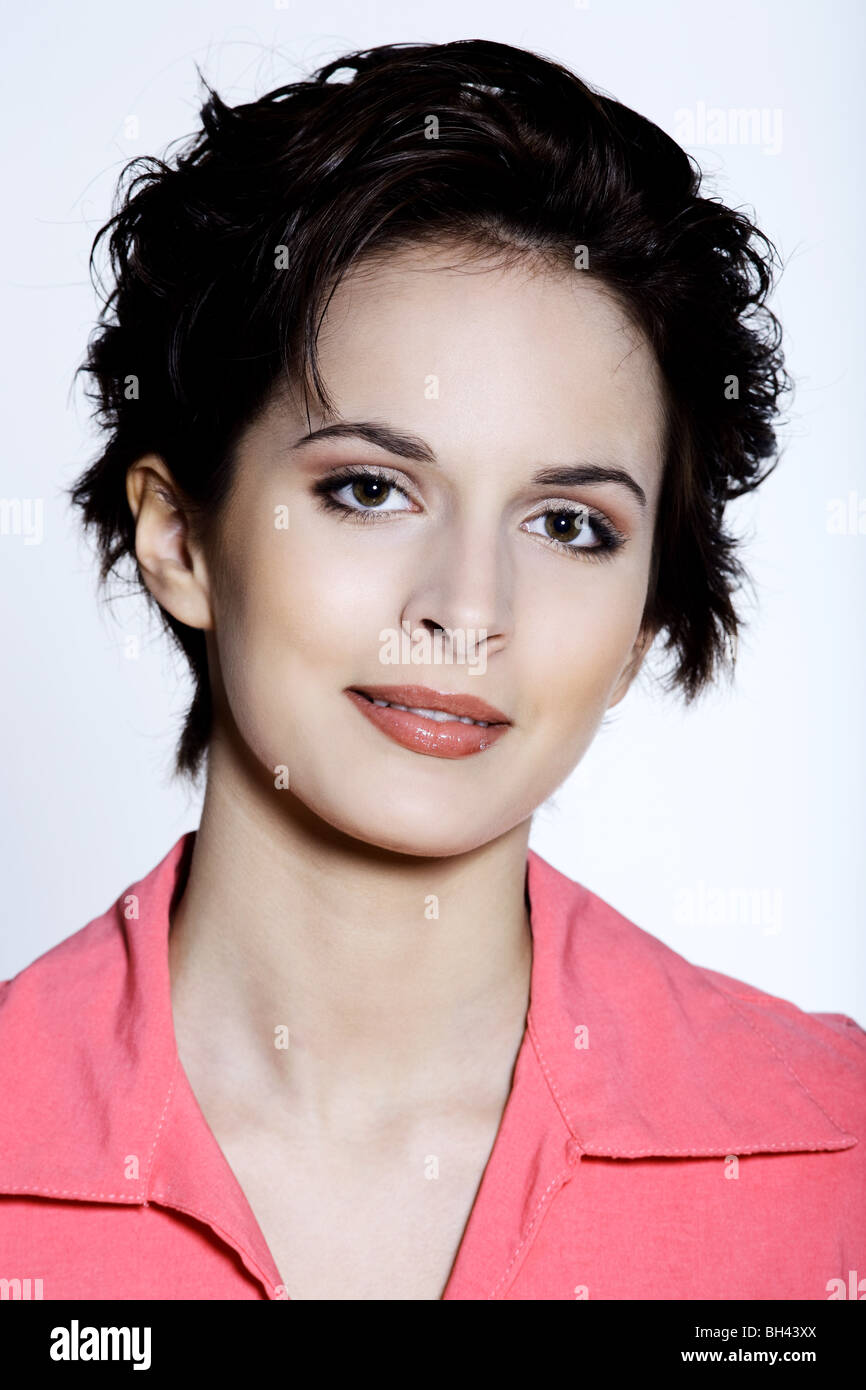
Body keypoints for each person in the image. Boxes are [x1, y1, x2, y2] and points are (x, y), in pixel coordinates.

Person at [1, 38, 863, 1302]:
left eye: (569, 524)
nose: (467, 609)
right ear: (181, 536)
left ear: (637, 624)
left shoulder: (824, 1157)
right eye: (368, 488)